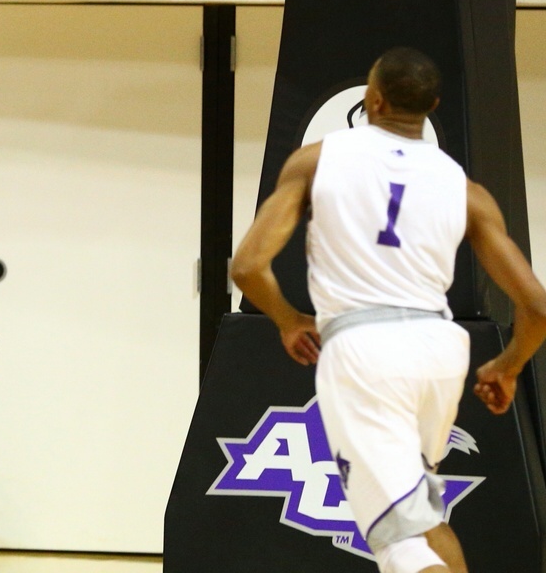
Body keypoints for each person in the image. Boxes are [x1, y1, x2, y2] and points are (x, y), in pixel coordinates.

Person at [231, 47, 546, 573]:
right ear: (433, 107)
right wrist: (508, 366)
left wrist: (289, 320)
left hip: (364, 350)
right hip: (440, 350)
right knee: (420, 515)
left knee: (398, 541)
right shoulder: (464, 188)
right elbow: (536, 304)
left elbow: (247, 267)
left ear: (371, 100)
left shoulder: (318, 160)